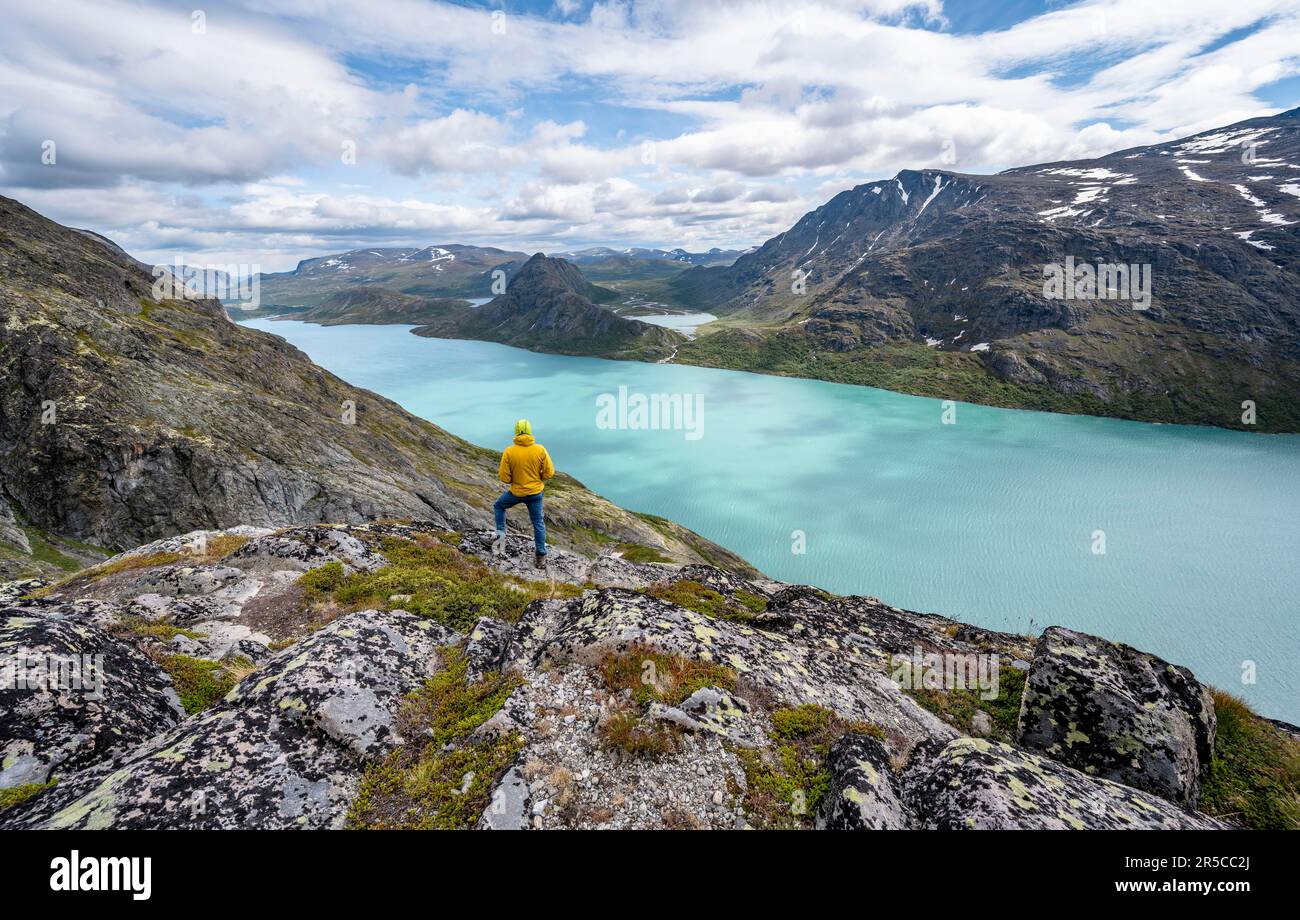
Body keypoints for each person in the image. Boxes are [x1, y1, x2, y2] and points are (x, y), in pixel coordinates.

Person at [494, 418, 554, 567]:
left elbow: (504, 477)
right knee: (538, 523)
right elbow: (549, 472)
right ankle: (540, 556)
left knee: (499, 506)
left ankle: (500, 540)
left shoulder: (509, 451)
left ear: (516, 431)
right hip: (535, 493)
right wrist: (538, 478)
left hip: (516, 493)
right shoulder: (540, 449)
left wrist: (516, 479)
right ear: (530, 431)